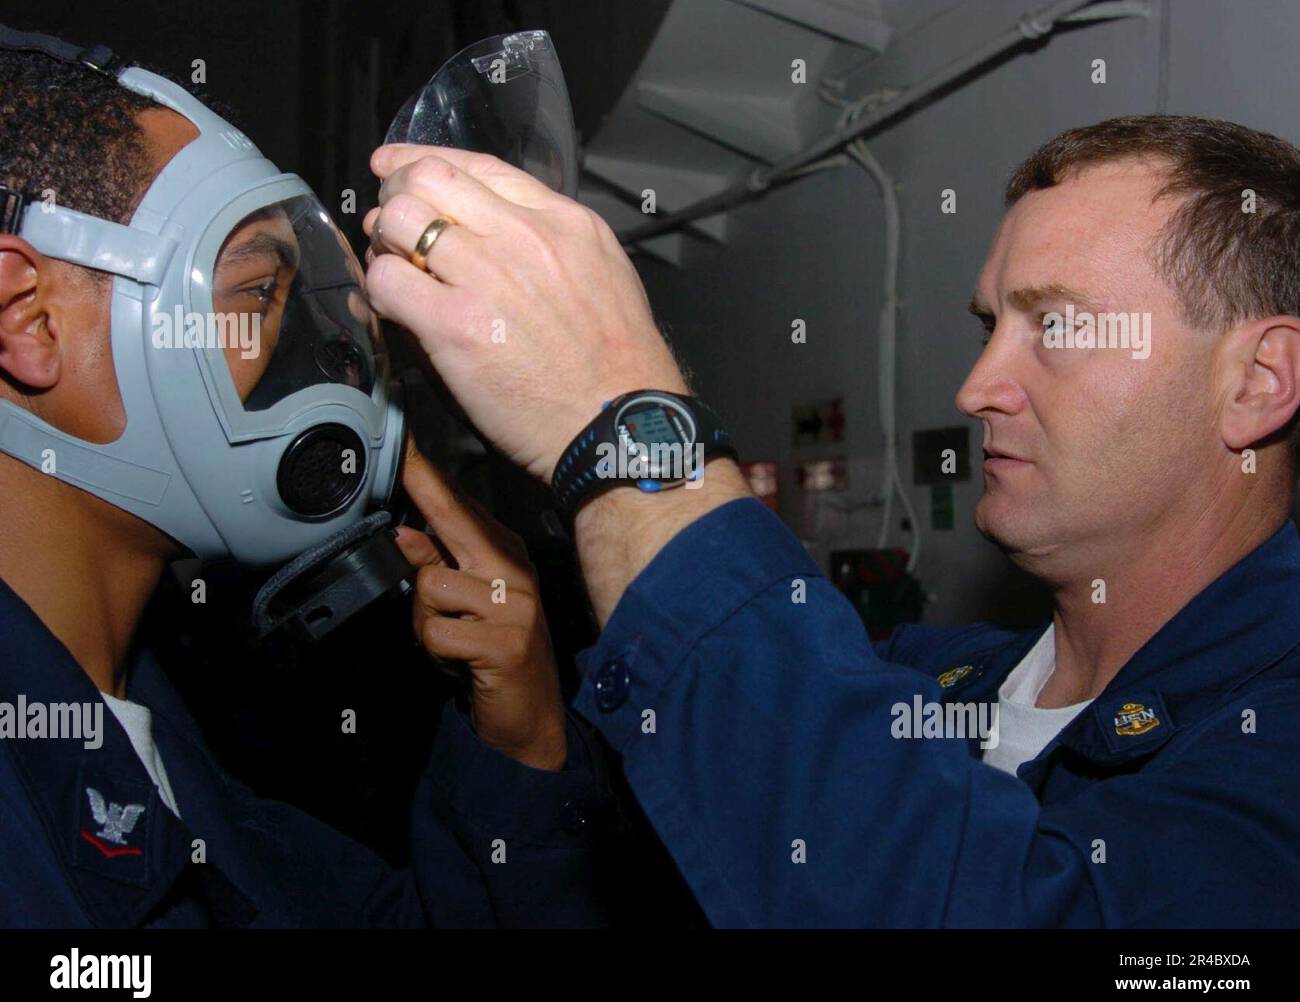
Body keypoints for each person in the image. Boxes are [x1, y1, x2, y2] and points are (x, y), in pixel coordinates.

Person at [364, 112, 1300, 926]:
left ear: (1256, 384)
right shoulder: (906, 680)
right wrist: (529, 738)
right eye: (990, 327)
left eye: (1056, 326)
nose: (978, 388)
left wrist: (630, 435)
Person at [0, 31, 612, 927]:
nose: (309, 371)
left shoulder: (164, 745)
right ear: (28, 320)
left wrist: (519, 742)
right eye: (251, 292)